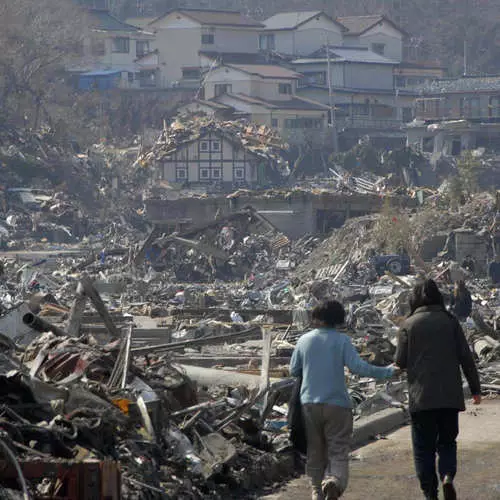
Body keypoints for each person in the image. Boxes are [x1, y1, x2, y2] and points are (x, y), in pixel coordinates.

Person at [290, 300, 397, 500]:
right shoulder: (342, 341)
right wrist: (387, 371)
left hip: (309, 404)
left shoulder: (304, 340)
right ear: (338, 320)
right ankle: (334, 481)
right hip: (337, 404)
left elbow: (293, 370)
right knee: (337, 449)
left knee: (315, 449)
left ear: (318, 318)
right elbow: (359, 368)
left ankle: (316, 491)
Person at [395, 279, 481, 500]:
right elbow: (466, 357)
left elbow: (400, 361)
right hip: (449, 397)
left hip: (421, 397)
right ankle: (447, 477)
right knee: (447, 442)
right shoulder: (450, 321)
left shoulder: (408, 324)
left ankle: (429, 493)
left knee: (423, 449)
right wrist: (475, 389)